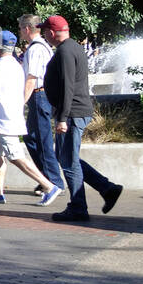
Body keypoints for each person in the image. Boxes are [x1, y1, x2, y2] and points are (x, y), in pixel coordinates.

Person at [43, 15, 124, 222]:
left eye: (45, 31)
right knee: (67, 157)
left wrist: (62, 118)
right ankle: (107, 188)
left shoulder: (66, 51)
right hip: (73, 112)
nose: (44, 34)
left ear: (52, 32)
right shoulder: (73, 47)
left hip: (72, 114)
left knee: (68, 161)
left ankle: (78, 208)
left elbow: (68, 86)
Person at [0, 31, 55, 203]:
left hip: (5, 121)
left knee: (15, 156)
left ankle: (49, 186)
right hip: (5, 120)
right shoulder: (14, 64)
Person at [18, 14, 63, 206]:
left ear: (27, 29)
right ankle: (46, 179)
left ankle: (53, 182)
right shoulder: (42, 46)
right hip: (41, 96)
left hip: (38, 95)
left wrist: (21, 102)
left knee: (42, 140)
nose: (20, 32)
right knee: (32, 137)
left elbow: (31, 78)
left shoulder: (36, 49)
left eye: (20, 28)